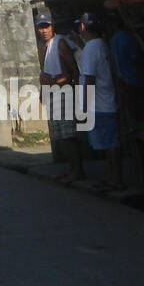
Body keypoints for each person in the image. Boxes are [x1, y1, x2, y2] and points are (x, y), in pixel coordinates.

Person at [36, 11, 84, 184]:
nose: (44, 30)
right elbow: (44, 73)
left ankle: (77, 170)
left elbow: (74, 71)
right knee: (61, 136)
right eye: (41, 27)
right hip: (51, 96)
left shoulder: (60, 44)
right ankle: (71, 169)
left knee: (69, 135)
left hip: (64, 93)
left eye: (46, 26)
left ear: (52, 26)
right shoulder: (42, 48)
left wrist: (79, 96)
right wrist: (43, 92)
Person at [78, 12, 124, 191]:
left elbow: (89, 78)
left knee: (109, 144)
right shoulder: (101, 44)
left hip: (99, 104)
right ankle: (113, 177)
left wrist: (84, 107)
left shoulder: (91, 47)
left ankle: (116, 179)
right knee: (109, 143)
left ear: (83, 27)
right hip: (106, 100)